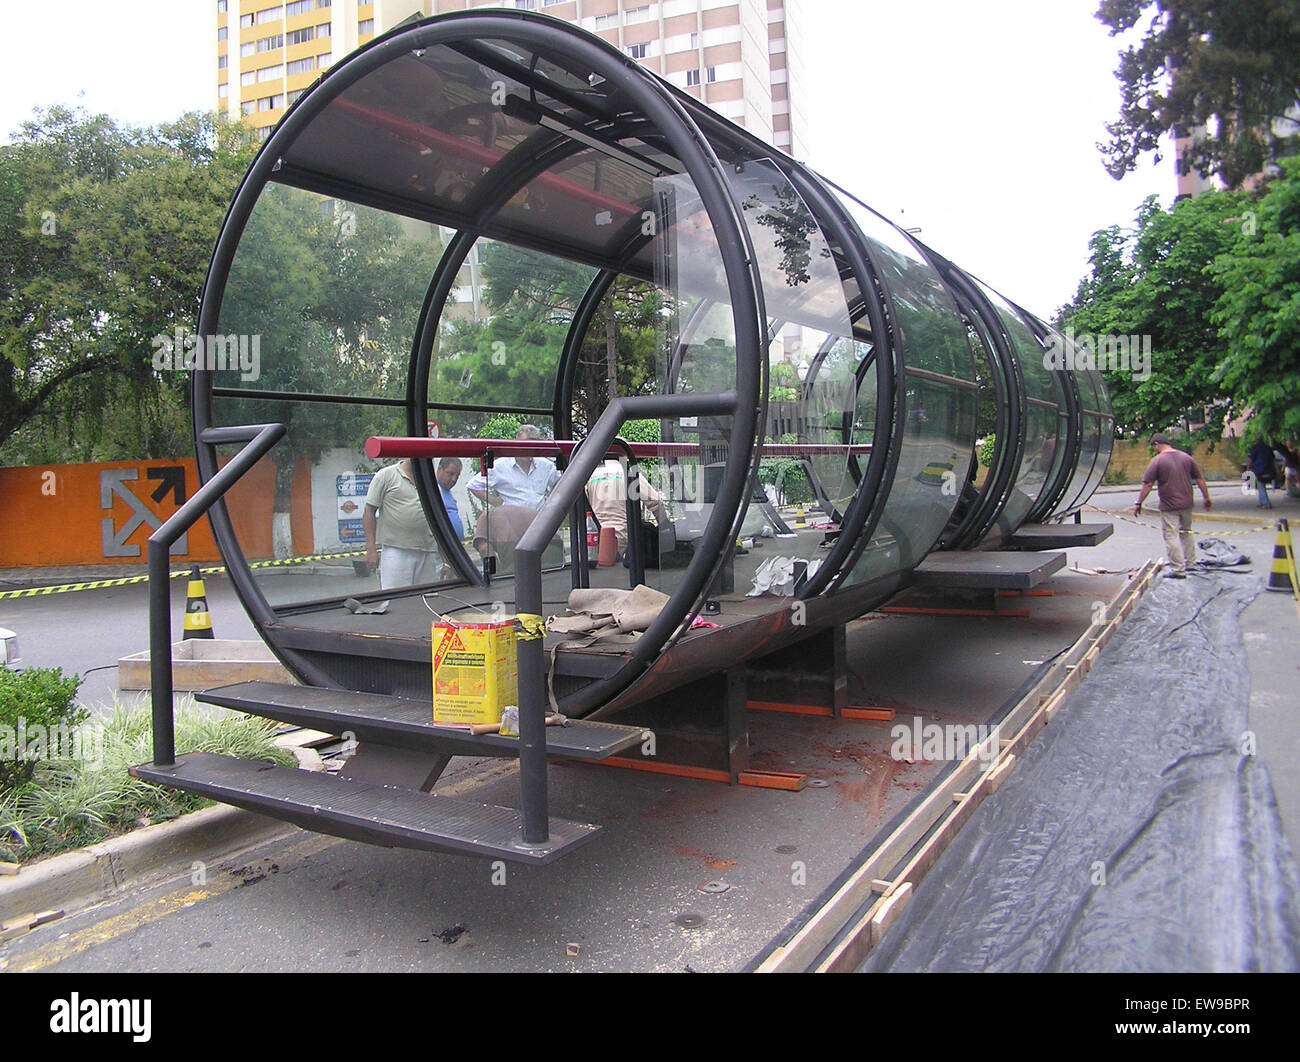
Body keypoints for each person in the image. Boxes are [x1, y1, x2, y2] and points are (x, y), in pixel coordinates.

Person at [467, 424, 561, 564]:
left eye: (532, 446)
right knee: (517, 565)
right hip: (512, 526)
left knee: (553, 561)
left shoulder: (544, 465)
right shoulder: (500, 466)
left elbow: (562, 481)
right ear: (516, 444)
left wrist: (552, 503)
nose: (527, 451)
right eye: (524, 445)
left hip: (540, 524)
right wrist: (495, 501)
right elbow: (473, 485)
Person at [364, 456, 462, 589]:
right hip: (397, 551)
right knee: (397, 600)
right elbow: (369, 511)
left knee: (426, 600)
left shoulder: (430, 484)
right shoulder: (386, 476)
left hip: (428, 553)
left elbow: (437, 524)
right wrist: (371, 549)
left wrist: (445, 562)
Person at [1134, 433, 1212, 579]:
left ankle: (1178, 569)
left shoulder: (1157, 461)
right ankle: (1191, 564)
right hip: (1187, 503)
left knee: (1171, 535)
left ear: (1156, 444)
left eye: (1154, 447)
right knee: (1187, 532)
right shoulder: (1186, 458)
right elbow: (1200, 479)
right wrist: (1206, 498)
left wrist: (1139, 503)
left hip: (1169, 505)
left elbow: (1148, 484)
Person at [585, 457, 671, 560]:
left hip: (596, 533)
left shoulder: (591, 475)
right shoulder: (629, 472)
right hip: (623, 533)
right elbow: (655, 502)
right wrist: (665, 528)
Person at [1248, 438, 1275, 509]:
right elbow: (1273, 459)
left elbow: (1250, 459)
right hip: (1268, 470)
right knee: (1261, 486)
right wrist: (1277, 470)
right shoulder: (1268, 447)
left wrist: (1248, 469)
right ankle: (1261, 502)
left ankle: (1266, 503)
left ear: (1256, 440)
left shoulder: (1255, 447)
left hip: (1259, 470)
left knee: (1261, 485)